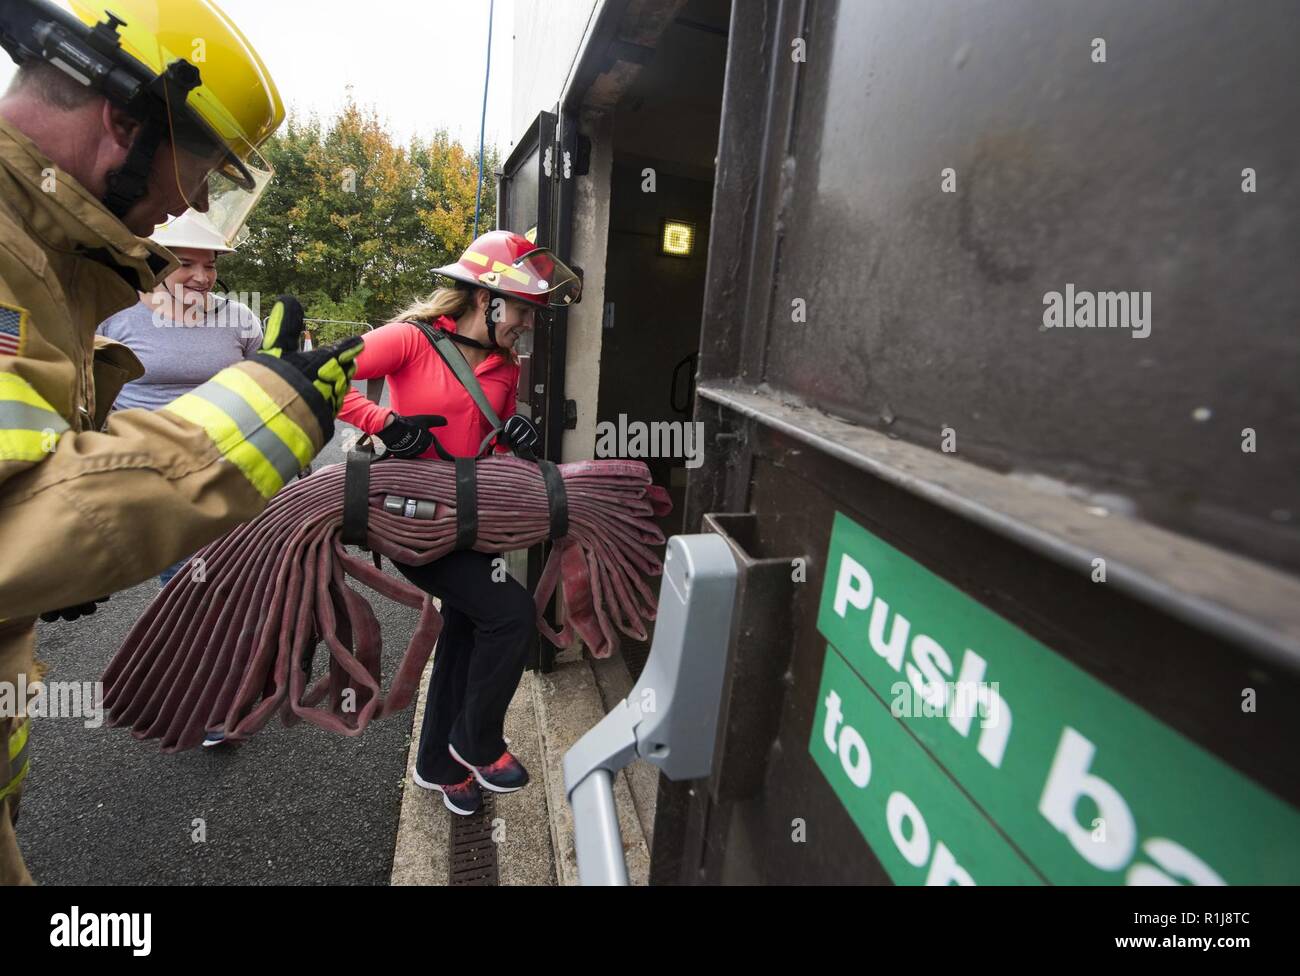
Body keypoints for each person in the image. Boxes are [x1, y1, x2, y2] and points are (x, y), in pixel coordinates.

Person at [0, 0, 362, 885]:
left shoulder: (43, 264)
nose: (193, 208)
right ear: (126, 122)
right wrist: (274, 411)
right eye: (202, 170)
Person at [337, 230, 581, 816]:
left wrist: (511, 439)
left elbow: (484, 444)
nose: (527, 322)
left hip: (467, 516)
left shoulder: (505, 367)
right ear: (487, 299)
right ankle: (477, 740)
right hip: (408, 518)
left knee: (469, 626)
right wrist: (384, 422)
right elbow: (319, 377)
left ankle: (436, 764)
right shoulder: (409, 340)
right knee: (510, 614)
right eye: (523, 309)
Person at [98, 209, 265, 586]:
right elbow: (87, 401)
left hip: (234, 472)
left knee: (254, 580)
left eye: (211, 265)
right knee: (192, 590)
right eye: (185, 264)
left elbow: (267, 390)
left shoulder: (239, 317)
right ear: (154, 262)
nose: (203, 277)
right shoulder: (114, 316)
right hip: (159, 479)